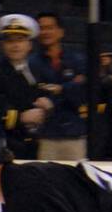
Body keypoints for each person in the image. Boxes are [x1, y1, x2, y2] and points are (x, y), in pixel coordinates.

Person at [0, 13, 49, 161]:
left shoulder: (38, 70)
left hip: (37, 144)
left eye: (20, 40)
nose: (15, 45)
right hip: (8, 145)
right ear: (3, 45)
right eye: (10, 41)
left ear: (29, 44)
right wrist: (21, 117)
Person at [29, 12, 88, 160]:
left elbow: (83, 94)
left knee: (75, 179)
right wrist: (71, 85)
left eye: (50, 27)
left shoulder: (77, 59)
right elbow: (37, 93)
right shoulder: (32, 62)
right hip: (47, 135)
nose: (45, 32)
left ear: (61, 31)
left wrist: (60, 89)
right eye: (41, 28)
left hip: (74, 134)